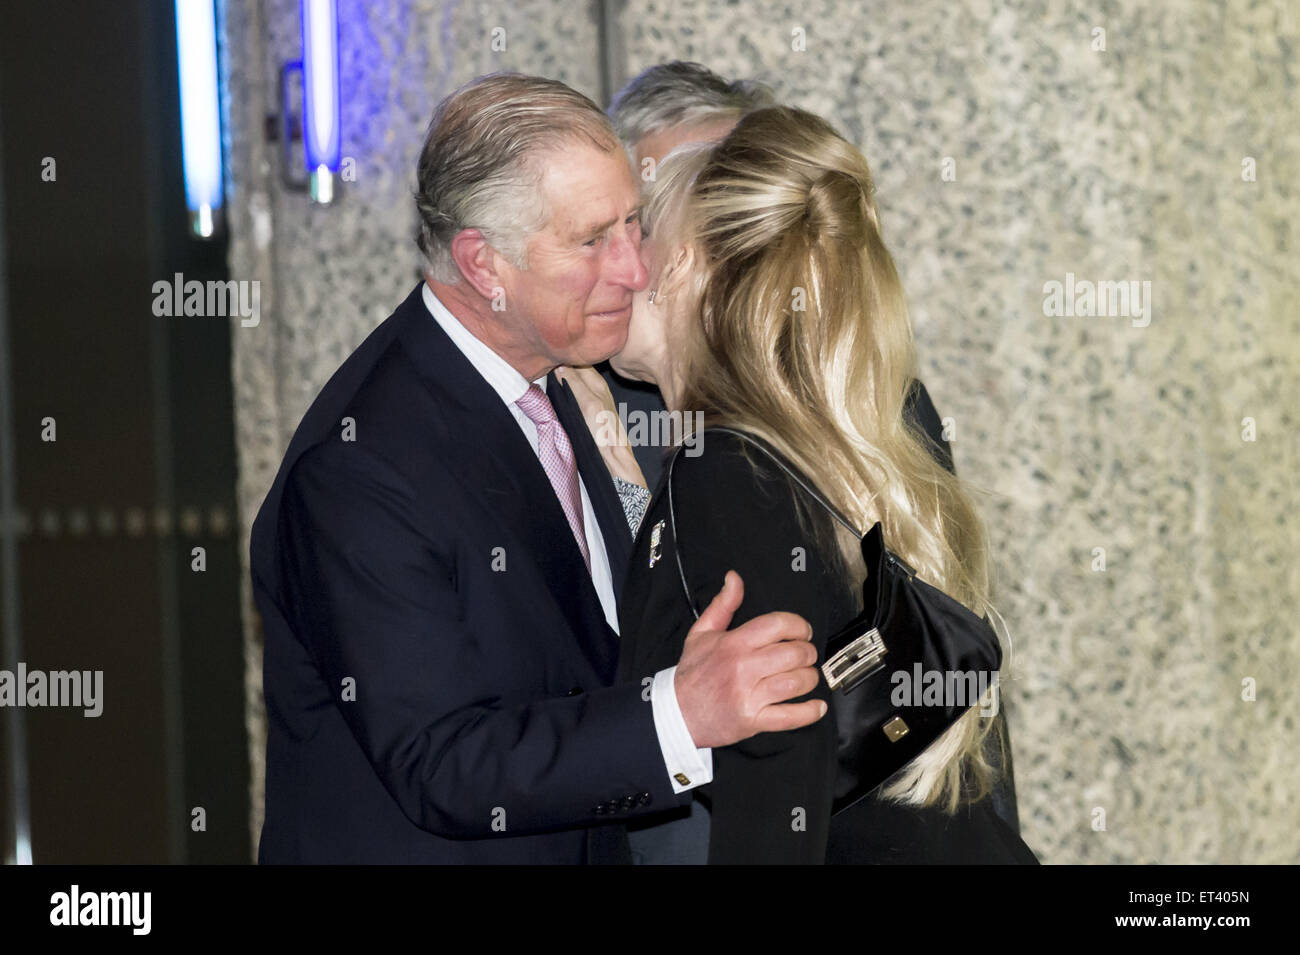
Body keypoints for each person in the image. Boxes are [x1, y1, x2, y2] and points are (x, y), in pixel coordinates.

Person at [250, 73, 828, 864]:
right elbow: (443, 762)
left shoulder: (549, 372)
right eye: (593, 240)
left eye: (635, 222)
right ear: (484, 265)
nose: (634, 268)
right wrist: (681, 714)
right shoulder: (360, 466)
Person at [597, 106, 1039, 863]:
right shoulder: (775, 456)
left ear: (686, 264)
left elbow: (778, 784)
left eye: (636, 229)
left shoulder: (725, 471)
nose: (617, 263)